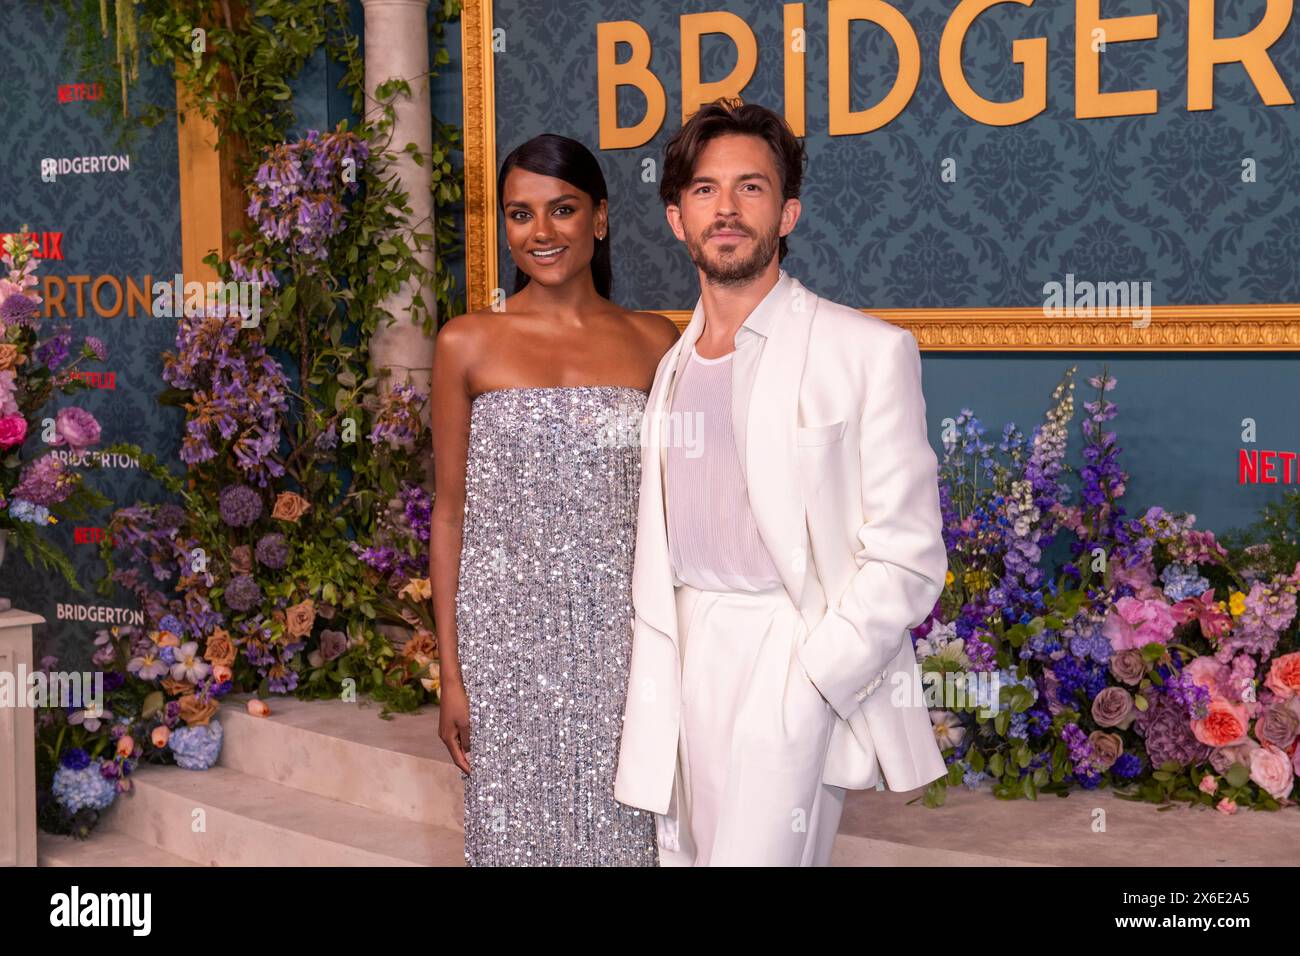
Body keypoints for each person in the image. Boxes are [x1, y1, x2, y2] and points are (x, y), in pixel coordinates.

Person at [613, 98, 949, 866]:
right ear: (676, 218)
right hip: (684, 649)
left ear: (788, 211)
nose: (725, 208)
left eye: (750, 188)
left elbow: (909, 555)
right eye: (704, 190)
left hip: (787, 647)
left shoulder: (864, 350)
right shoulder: (670, 366)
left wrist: (815, 678)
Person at [430, 133, 679, 865]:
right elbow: (449, 515)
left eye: (562, 209)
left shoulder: (655, 342)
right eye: (520, 214)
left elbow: (670, 515)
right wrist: (451, 673)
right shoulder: (465, 343)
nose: (540, 232)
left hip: (620, 641)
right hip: (500, 643)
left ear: (599, 218)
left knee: (622, 836)